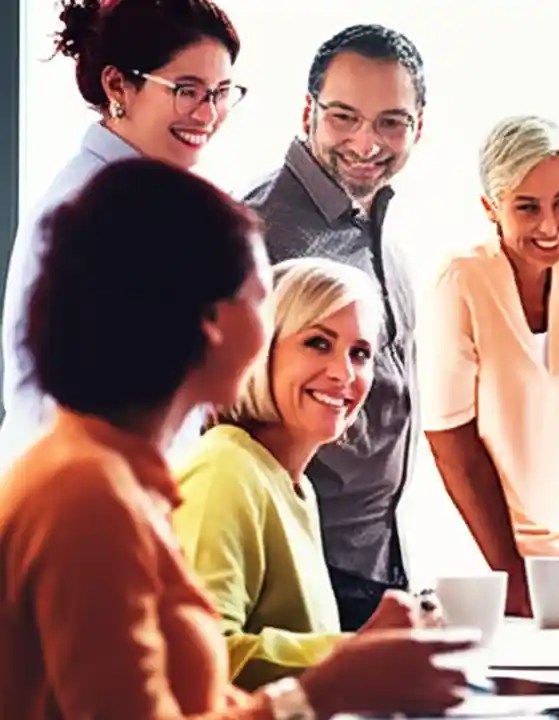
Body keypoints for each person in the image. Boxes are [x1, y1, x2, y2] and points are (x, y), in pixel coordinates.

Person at [0, 158, 469, 720]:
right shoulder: (90, 494)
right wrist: (324, 690)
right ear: (206, 320)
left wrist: (351, 666)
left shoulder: (123, 479)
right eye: (259, 297)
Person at [0, 0, 248, 469]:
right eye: (187, 91)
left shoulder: (147, 197)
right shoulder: (93, 210)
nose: (208, 114)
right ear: (118, 85)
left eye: (220, 93)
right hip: (80, 483)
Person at [420, 115, 559, 616]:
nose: (550, 226)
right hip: (483, 557)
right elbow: (449, 440)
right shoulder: (461, 280)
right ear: (491, 208)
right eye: (527, 207)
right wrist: (511, 576)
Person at [174, 258, 436, 690]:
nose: (343, 373)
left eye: (360, 353)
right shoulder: (225, 467)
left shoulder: (297, 487)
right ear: (260, 350)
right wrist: (358, 651)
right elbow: (201, 657)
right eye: (317, 343)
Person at [241, 24, 426, 629]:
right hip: (298, 572)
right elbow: (210, 420)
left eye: (391, 122)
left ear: (418, 126)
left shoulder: (381, 231)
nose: (366, 142)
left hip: (377, 563)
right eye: (344, 117)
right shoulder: (255, 233)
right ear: (308, 112)